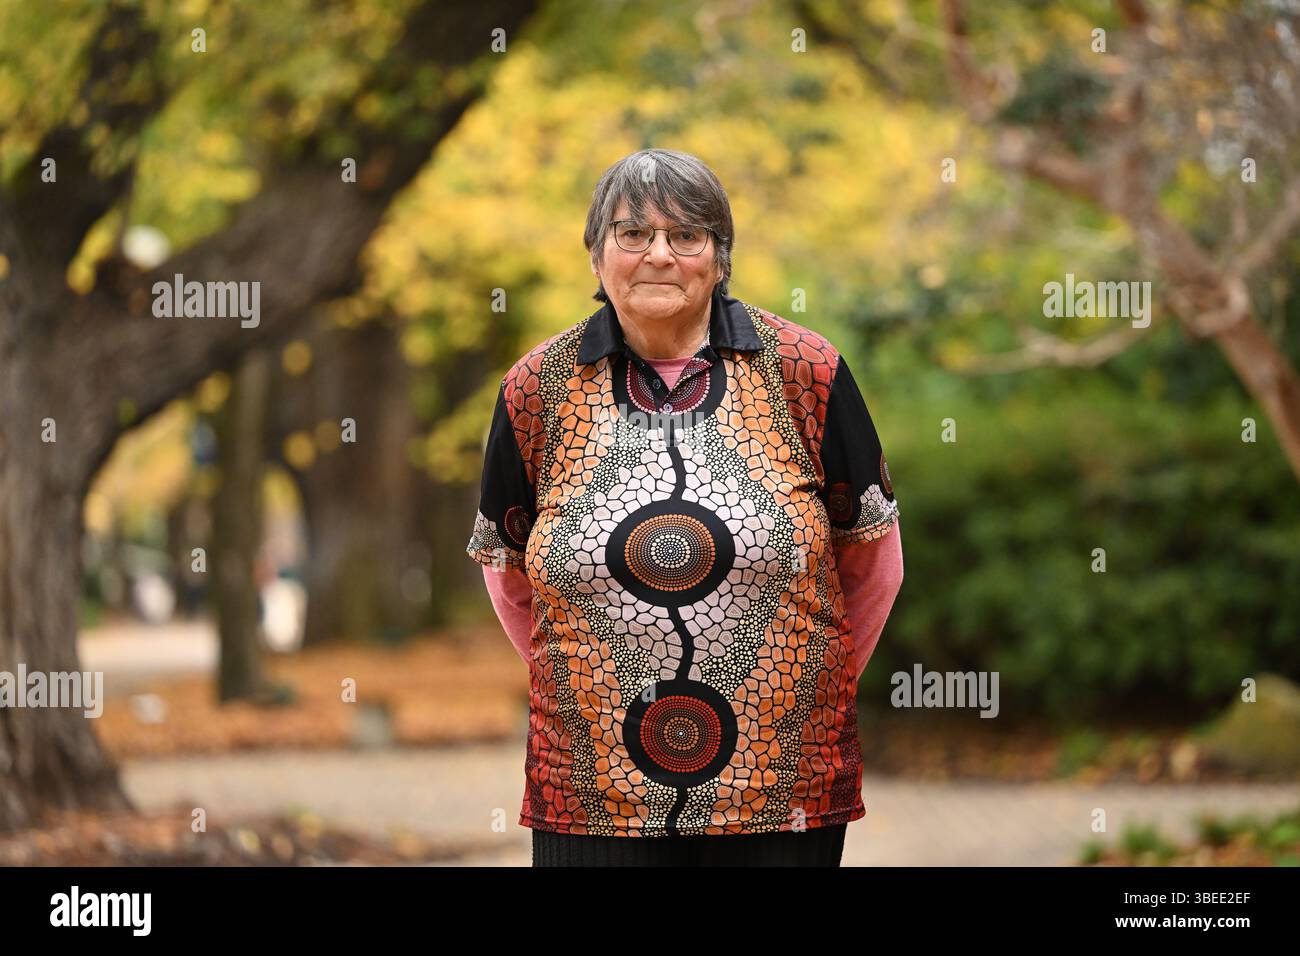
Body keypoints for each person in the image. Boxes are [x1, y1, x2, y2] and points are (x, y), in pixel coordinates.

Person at [466, 148, 903, 867]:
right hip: (591, 788)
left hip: (780, 781)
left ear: (720, 258)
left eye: (686, 236)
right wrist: (586, 684)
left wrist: (805, 692)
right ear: (596, 255)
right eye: (632, 234)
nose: (658, 255)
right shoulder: (535, 389)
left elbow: (872, 562)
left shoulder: (805, 371)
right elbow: (512, 578)